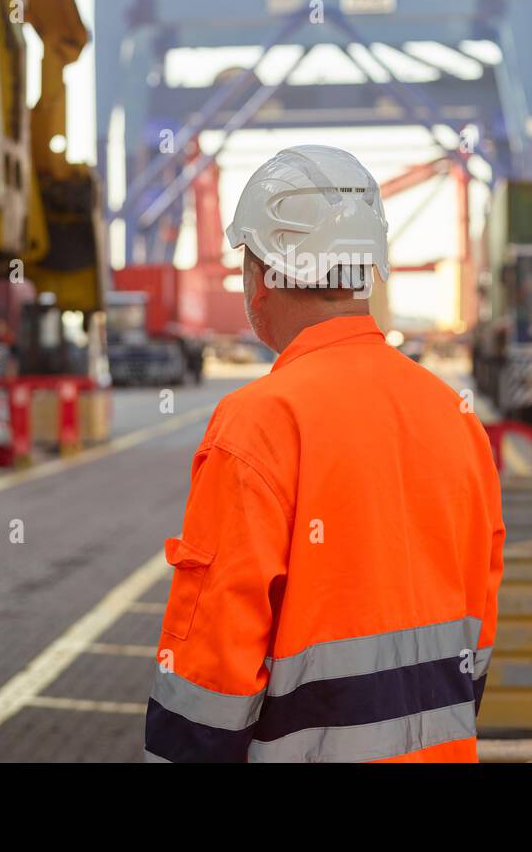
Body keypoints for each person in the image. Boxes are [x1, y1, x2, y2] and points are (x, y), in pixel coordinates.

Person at [144, 145, 504, 763]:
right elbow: (477, 628)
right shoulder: (455, 415)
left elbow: (211, 668)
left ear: (261, 278)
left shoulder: (259, 421)